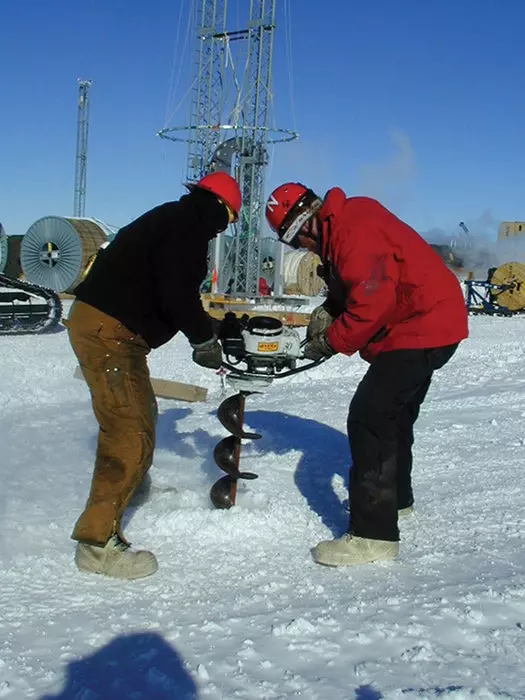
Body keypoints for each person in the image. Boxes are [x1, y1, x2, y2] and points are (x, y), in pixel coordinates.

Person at [265, 183, 468, 566]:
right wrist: (330, 308)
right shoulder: (345, 223)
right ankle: (398, 501)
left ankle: (373, 535)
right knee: (394, 414)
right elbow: (360, 279)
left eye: (296, 239)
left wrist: (332, 340)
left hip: (421, 325)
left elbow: (373, 302)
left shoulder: (350, 231)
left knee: (370, 417)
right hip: (433, 320)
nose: (302, 248)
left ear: (306, 222)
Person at [65, 172, 242, 579]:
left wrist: (210, 326)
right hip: (109, 333)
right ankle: (95, 545)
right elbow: (175, 292)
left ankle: (128, 492)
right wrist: (202, 339)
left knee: (141, 416)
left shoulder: (173, 220)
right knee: (128, 431)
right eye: (229, 219)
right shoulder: (187, 229)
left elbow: (168, 290)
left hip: (111, 329)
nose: (224, 229)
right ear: (219, 207)